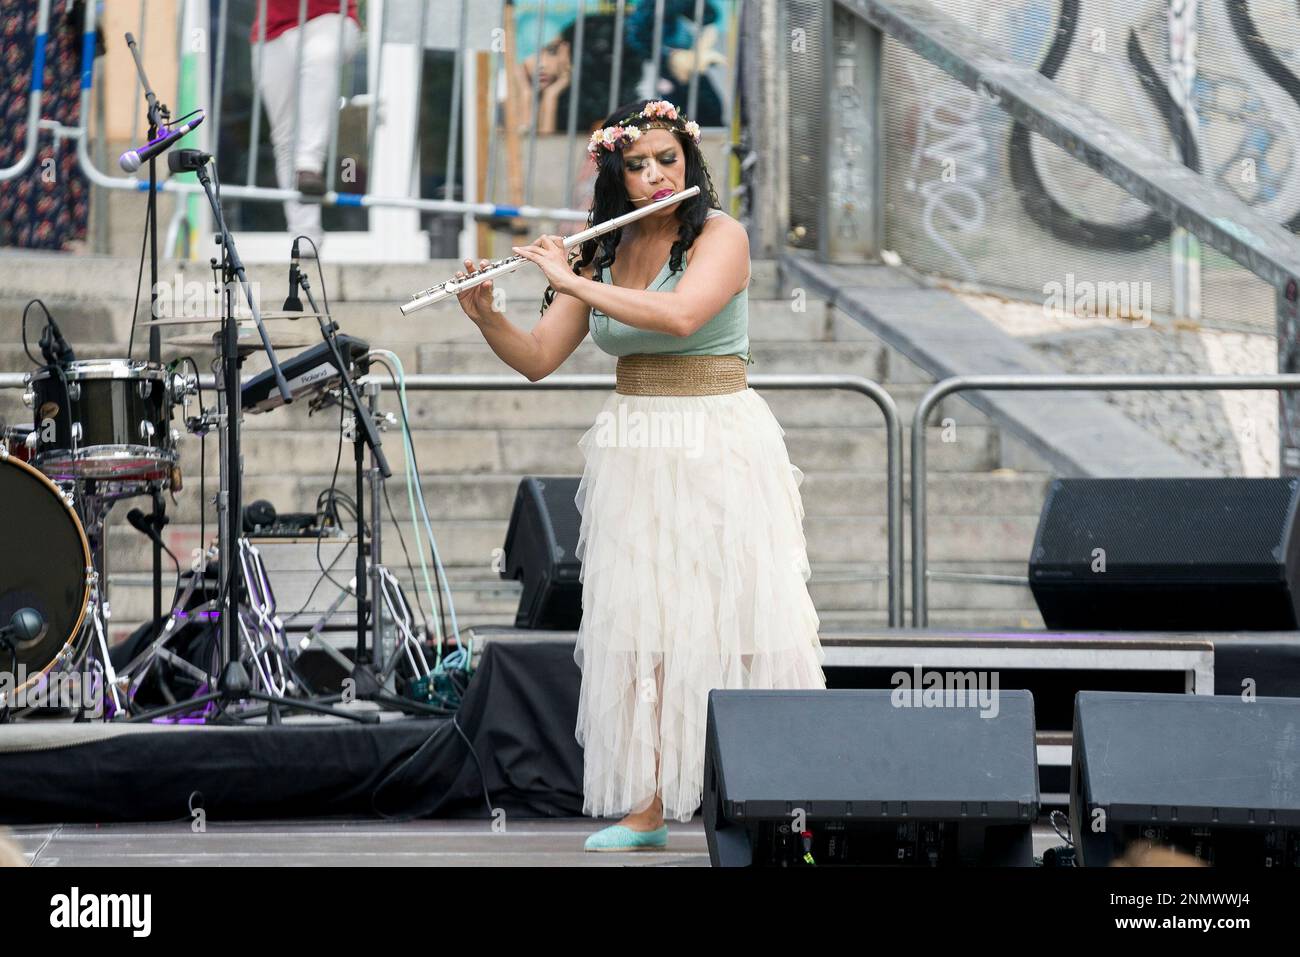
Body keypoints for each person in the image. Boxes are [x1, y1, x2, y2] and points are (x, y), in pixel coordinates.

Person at [452, 99, 826, 852]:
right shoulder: (601, 250)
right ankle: (650, 806)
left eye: (669, 161)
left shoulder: (721, 236)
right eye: (638, 164)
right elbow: (535, 359)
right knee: (644, 628)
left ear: (689, 163)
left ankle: (786, 799)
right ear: (614, 174)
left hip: (718, 440)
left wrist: (570, 279)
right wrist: (486, 313)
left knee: (744, 620)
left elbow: (683, 317)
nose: (656, 176)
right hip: (635, 445)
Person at [249, 0, 361, 253]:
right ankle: (305, 237)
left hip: (330, 16)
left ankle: (309, 164)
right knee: (285, 138)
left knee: (320, 54)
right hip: (272, 29)